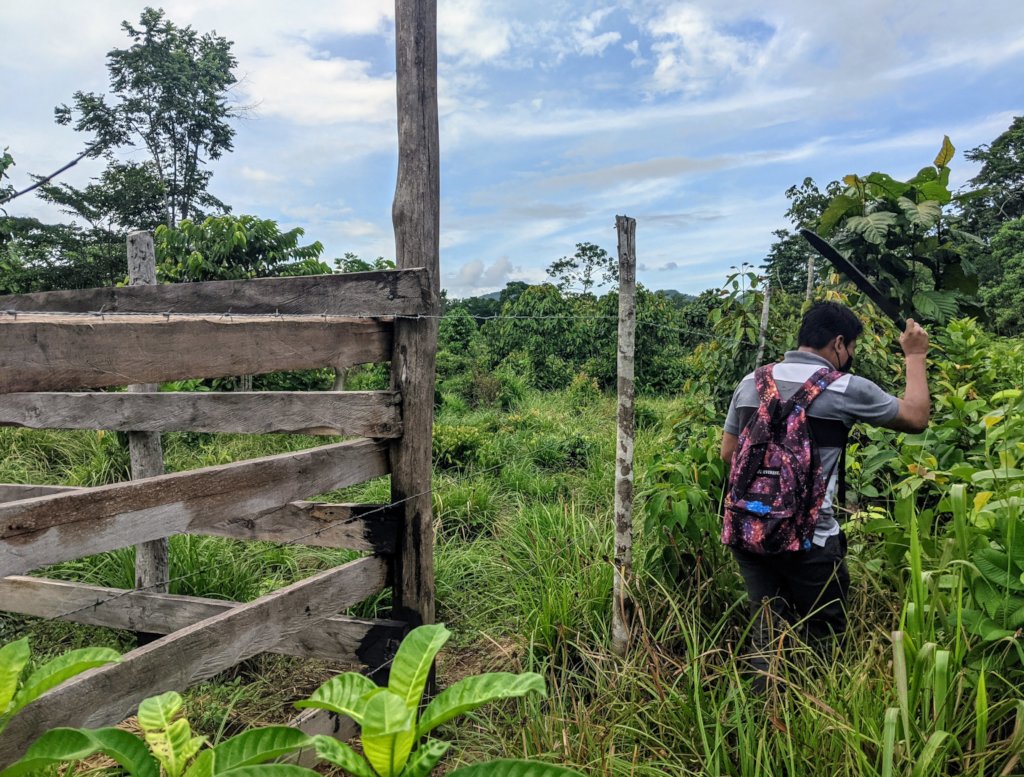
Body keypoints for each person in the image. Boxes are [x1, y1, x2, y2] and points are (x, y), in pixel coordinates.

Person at [719, 301, 930, 686]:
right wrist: (915, 355)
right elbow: (916, 417)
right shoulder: (846, 387)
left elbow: (728, 455)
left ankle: (762, 717)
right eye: (850, 348)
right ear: (838, 343)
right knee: (824, 636)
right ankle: (816, 715)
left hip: (749, 533)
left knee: (766, 630)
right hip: (811, 539)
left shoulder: (750, 383)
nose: (848, 356)